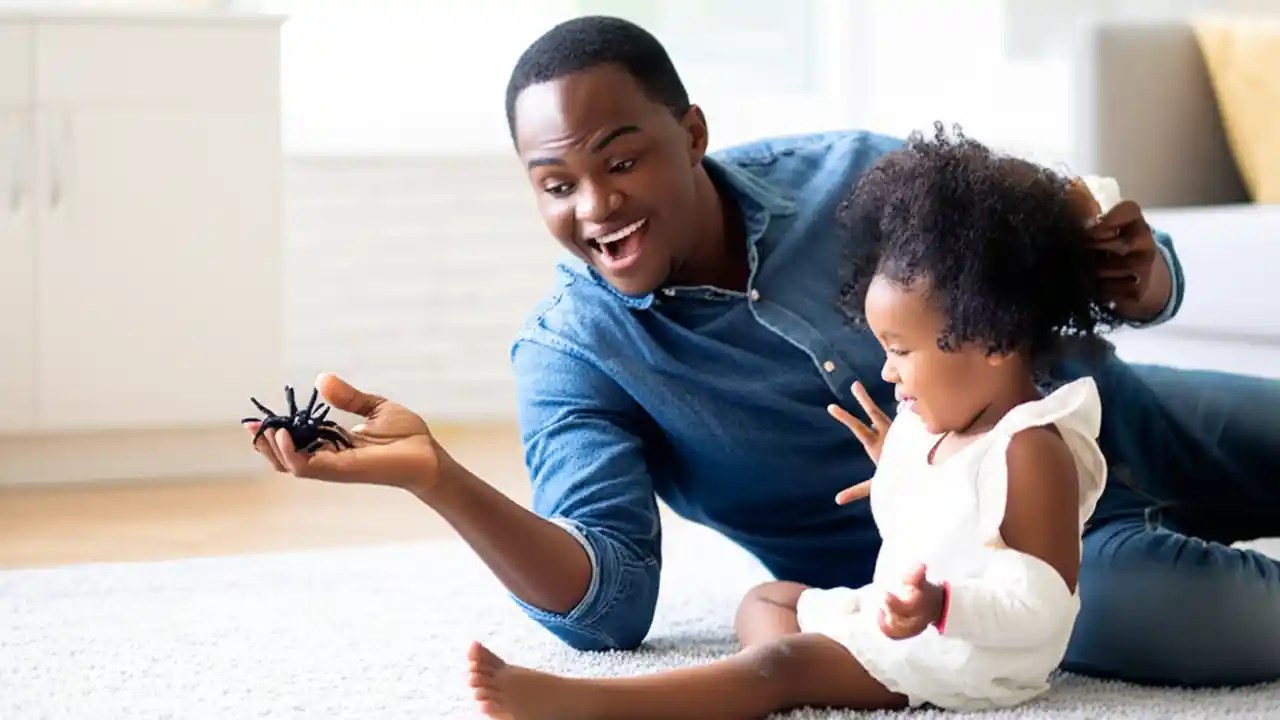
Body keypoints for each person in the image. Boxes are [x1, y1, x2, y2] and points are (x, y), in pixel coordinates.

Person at [242, 15, 1280, 688]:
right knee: (1234, 630)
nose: (593, 207)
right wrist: (439, 479)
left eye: (620, 160)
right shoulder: (573, 353)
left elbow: (1095, 266)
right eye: (554, 184)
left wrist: (1139, 274)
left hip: (1119, 414)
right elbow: (607, 603)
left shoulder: (851, 176)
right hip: (998, 565)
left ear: (690, 131)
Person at [462, 123, 1115, 720]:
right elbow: (922, 532)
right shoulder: (944, 425)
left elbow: (1041, 608)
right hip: (907, 621)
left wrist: (940, 607)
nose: (887, 373)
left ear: (996, 341)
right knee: (765, 600)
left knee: (783, 664)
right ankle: (807, 680)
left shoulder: (1030, 449)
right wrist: (901, 473)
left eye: (901, 351)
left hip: (968, 656)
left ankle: (594, 704)